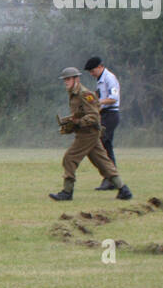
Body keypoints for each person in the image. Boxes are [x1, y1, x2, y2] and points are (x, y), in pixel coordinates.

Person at [50, 67, 132, 201]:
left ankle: (67, 192)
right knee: (103, 162)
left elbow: (94, 116)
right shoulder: (74, 93)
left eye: (68, 79)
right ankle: (124, 190)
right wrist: (72, 121)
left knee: (69, 158)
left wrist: (78, 122)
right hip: (86, 133)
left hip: (88, 133)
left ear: (76, 79)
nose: (66, 82)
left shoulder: (85, 94)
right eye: (64, 79)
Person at [83, 57, 122, 190]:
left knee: (103, 144)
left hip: (111, 114)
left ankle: (110, 177)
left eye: (92, 71)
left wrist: (99, 103)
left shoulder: (109, 78)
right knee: (104, 144)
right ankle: (111, 177)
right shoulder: (100, 80)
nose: (92, 74)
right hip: (104, 114)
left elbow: (113, 98)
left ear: (100, 67)